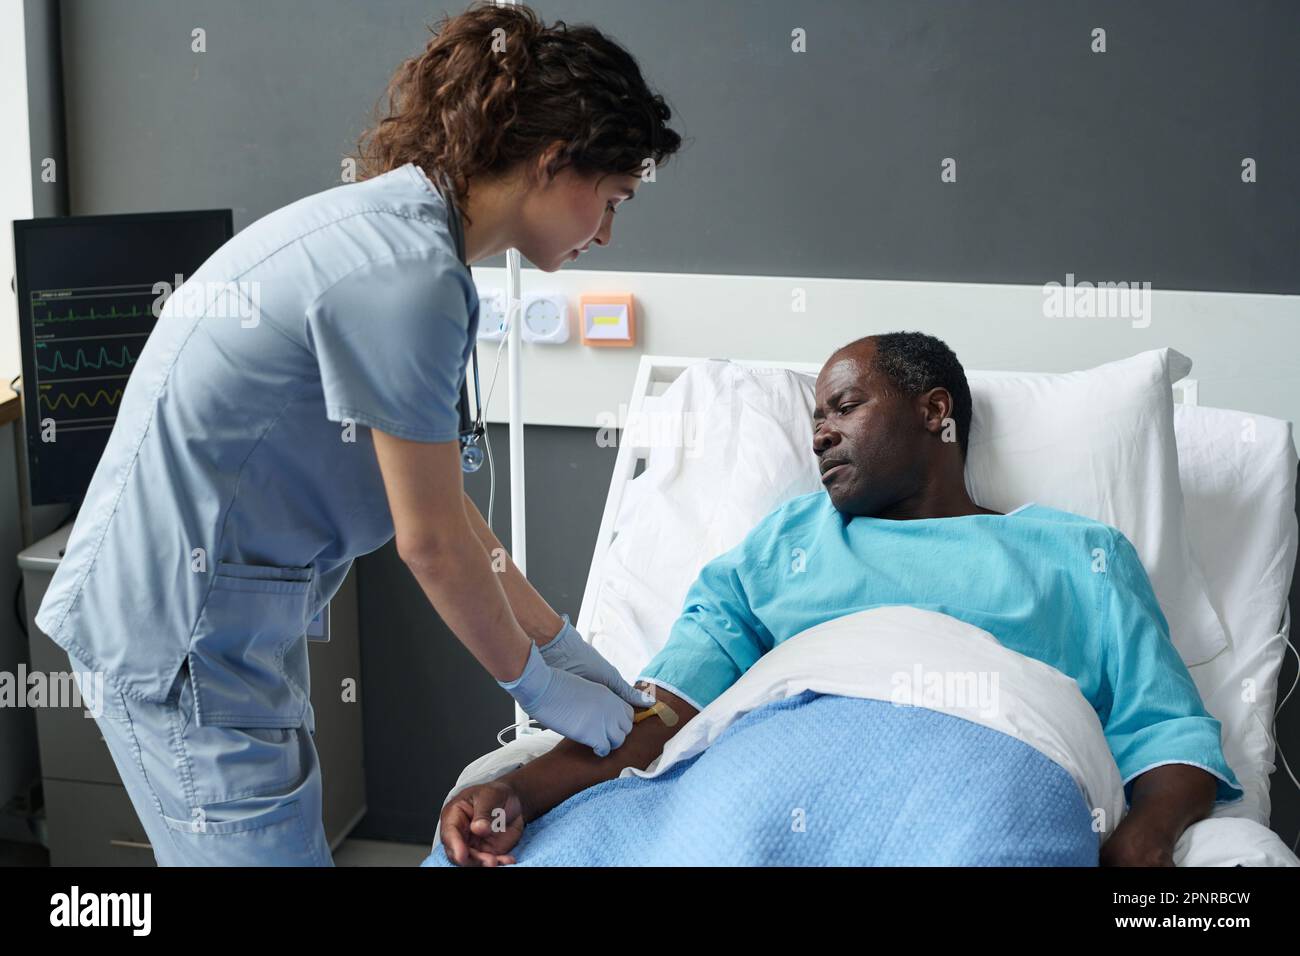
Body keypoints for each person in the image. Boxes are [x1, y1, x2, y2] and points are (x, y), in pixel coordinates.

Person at [38, 1, 682, 865]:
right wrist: (538, 689)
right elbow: (433, 544)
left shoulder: (399, 236)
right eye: (611, 199)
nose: (606, 230)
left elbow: (443, 506)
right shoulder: (409, 279)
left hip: (223, 625)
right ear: (552, 162)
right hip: (182, 643)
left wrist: (561, 646)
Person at [439, 332, 1242, 867]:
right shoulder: (786, 544)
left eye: (845, 407)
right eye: (813, 417)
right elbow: (664, 711)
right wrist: (516, 790)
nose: (818, 433)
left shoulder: (1077, 555)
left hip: (984, 770)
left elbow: (1164, 732)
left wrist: (1143, 842)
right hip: (752, 770)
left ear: (936, 412)